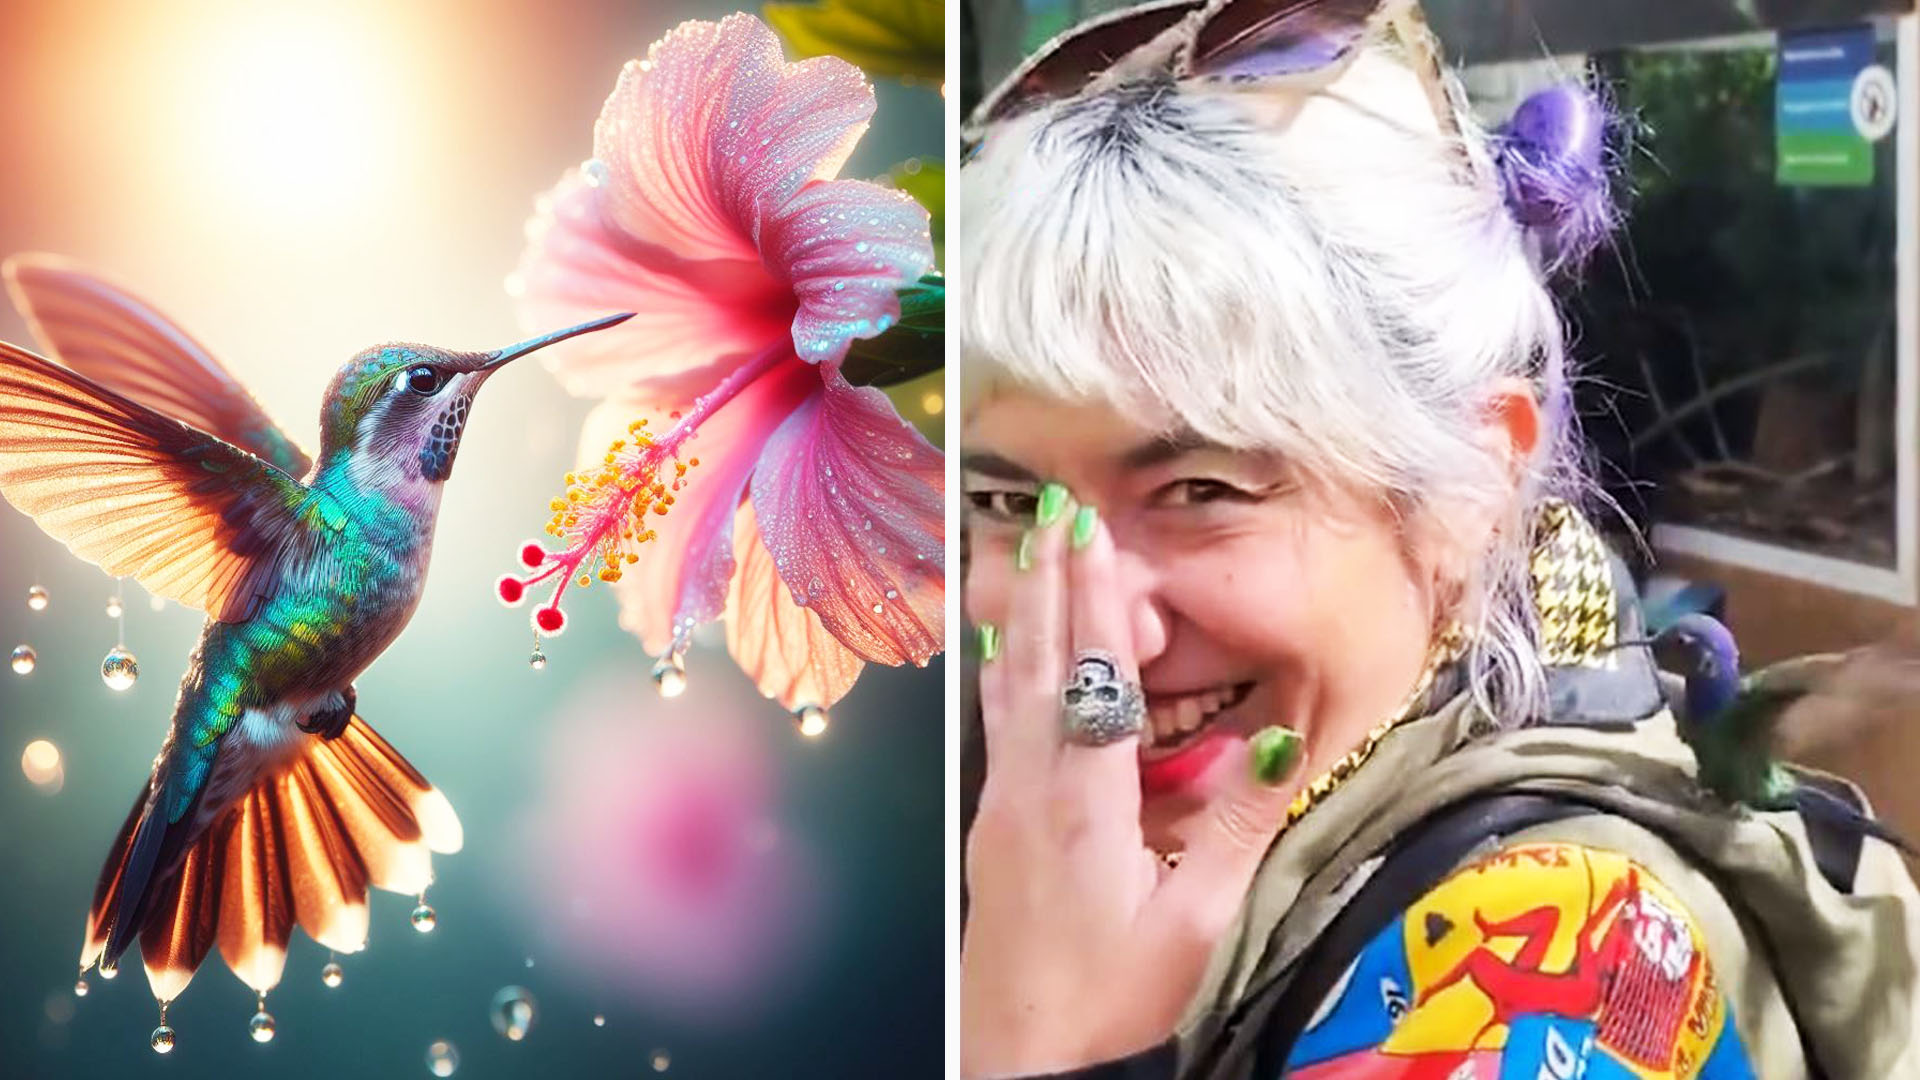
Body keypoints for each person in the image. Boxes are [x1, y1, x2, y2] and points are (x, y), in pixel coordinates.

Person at [956, 1, 1920, 1077]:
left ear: (1475, 489)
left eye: (1200, 488)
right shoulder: (1043, 840)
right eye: (1011, 507)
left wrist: (1048, 1056)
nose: (1106, 646)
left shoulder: (1559, 967)